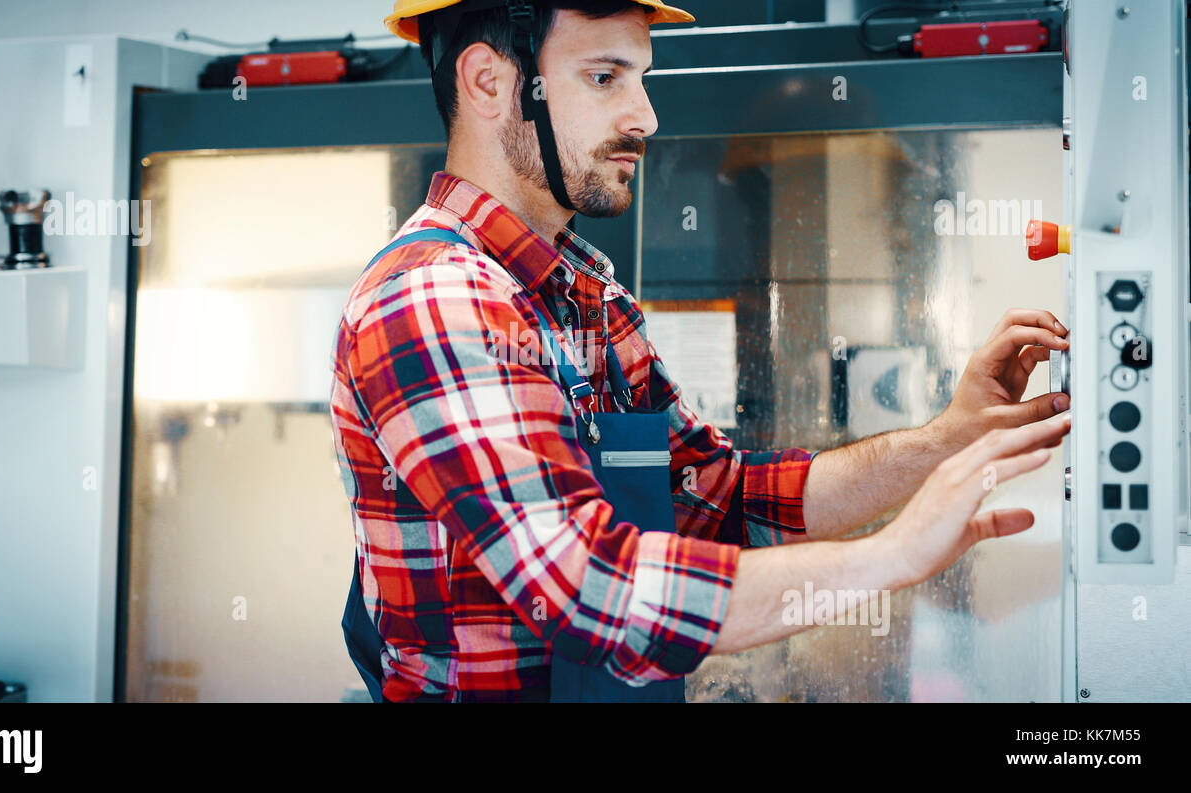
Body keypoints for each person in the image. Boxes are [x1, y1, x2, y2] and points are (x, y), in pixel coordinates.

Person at [329, 0, 1072, 702]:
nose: (644, 116)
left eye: (640, 79)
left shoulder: (587, 296)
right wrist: (894, 556)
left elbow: (720, 500)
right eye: (603, 78)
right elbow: (592, 592)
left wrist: (947, 440)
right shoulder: (434, 298)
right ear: (491, 83)